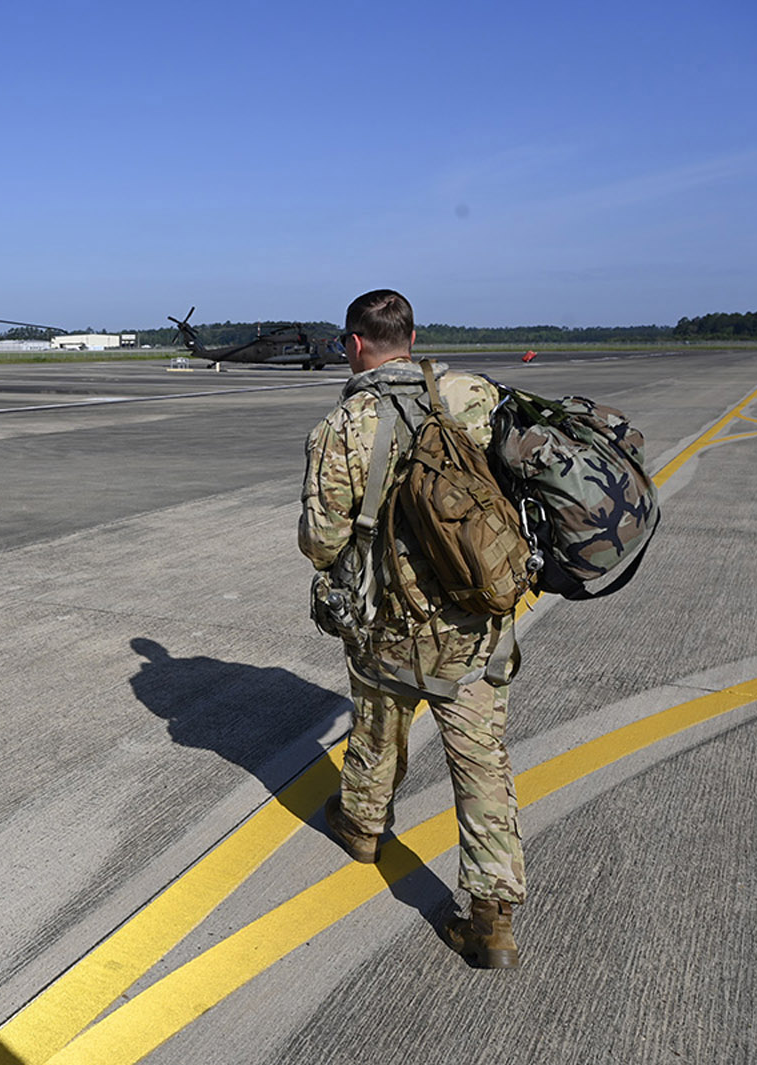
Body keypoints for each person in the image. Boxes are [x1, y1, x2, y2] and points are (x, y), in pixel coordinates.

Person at [298, 289, 526, 969]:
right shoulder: (470, 396)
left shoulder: (344, 425)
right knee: (481, 759)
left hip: (388, 623)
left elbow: (320, 540)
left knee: (377, 723)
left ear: (355, 344)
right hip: (474, 616)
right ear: (413, 335)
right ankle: (490, 917)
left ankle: (364, 826)